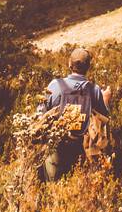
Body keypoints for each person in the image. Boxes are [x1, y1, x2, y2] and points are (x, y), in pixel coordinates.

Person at [40, 47, 112, 182]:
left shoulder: (55, 85)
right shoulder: (94, 90)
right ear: (88, 67)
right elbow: (104, 118)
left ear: (69, 64)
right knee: (78, 184)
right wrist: (106, 99)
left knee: (53, 187)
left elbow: (40, 113)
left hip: (56, 146)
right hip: (81, 148)